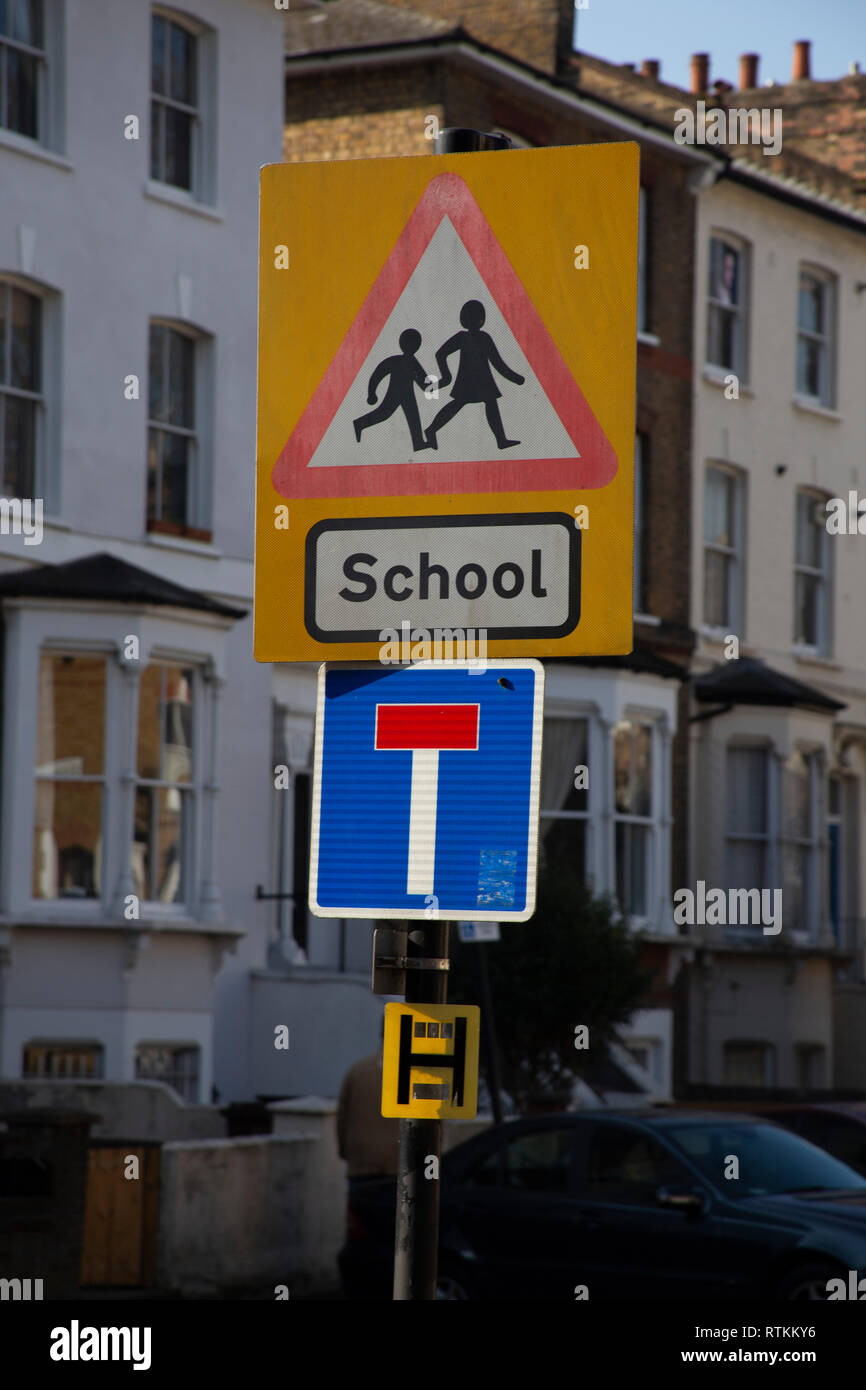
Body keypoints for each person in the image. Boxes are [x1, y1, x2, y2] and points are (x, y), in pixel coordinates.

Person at [425, 299, 525, 451]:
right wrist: (446, 376)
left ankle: (501, 440)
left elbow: (497, 362)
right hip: (471, 380)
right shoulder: (474, 337)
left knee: (487, 403)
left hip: (481, 380)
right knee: (467, 403)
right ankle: (431, 429)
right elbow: (497, 363)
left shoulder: (477, 337)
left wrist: (515, 377)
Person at [352, 328, 433, 452]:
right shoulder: (396, 361)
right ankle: (359, 424)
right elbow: (378, 374)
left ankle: (418, 442)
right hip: (396, 393)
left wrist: (436, 385)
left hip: (407, 394)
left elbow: (424, 384)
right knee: (384, 414)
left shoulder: (412, 362)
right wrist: (371, 393)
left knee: (413, 417)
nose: (416, 346)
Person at [337, 1027, 400, 1183]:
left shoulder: (357, 1070)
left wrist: (345, 1152)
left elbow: (341, 1119)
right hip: (398, 1165)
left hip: (361, 1165)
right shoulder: (415, 1073)